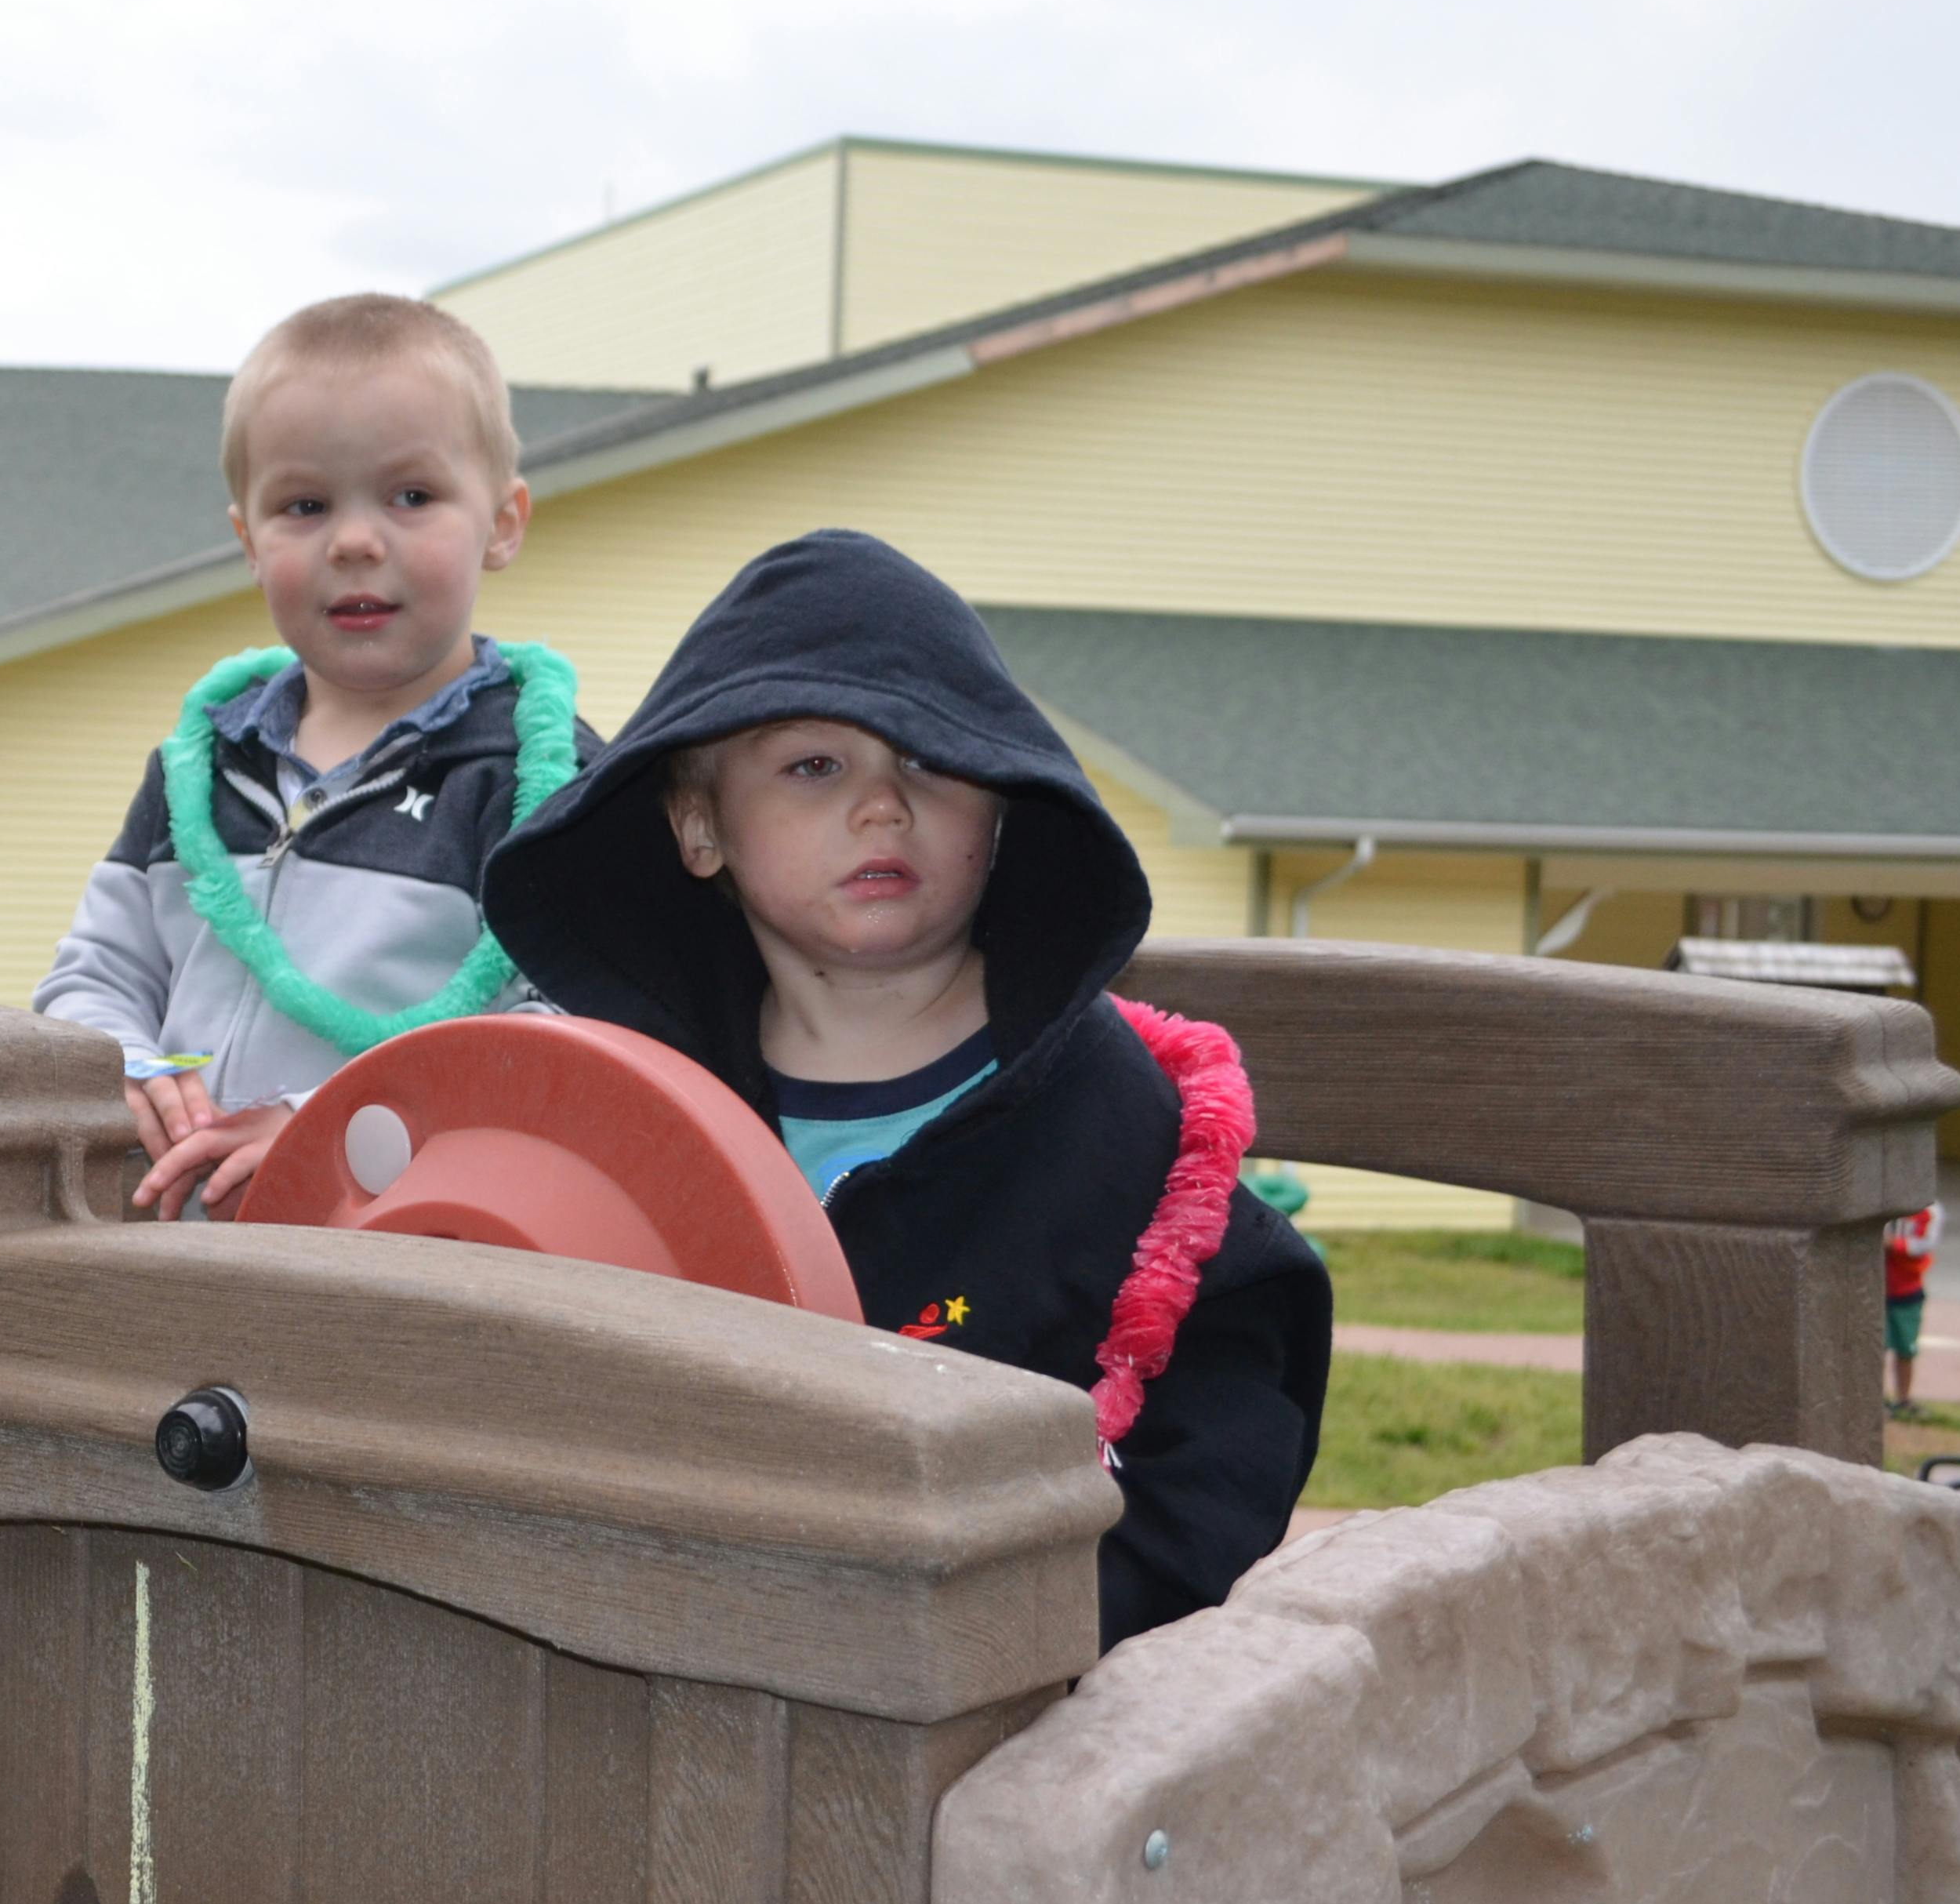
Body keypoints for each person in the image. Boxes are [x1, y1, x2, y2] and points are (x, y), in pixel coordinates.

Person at [481, 529, 1330, 1647]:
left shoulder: (1112, 1113)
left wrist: (1058, 1625)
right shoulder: (639, 1105)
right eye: (814, 767)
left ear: (1004, 809)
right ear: (698, 827)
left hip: (1012, 1694)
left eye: (931, 759)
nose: (884, 805)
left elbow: (1229, 1400)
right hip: (678, 1663)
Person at [34, 293, 588, 1217]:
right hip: (166, 1244)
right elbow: (97, 973)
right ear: (249, 542)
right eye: (304, 505)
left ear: (501, 522)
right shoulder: (199, 767)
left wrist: (331, 1128)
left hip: (398, 1263)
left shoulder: (543, 780)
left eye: (411, 496)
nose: (357, 540)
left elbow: (563, 1037)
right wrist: (123, 1068)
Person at [1892, 1198, 1944, 1419]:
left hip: (1908, 1288)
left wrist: (1894, 1245)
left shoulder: (1929, 1210)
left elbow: (1927, 1243)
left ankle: (1903, 1399)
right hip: (1879, 1286)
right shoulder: (1886, 1201)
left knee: (1906, 1348)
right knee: (1873, 1347)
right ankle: (1871, 1399)